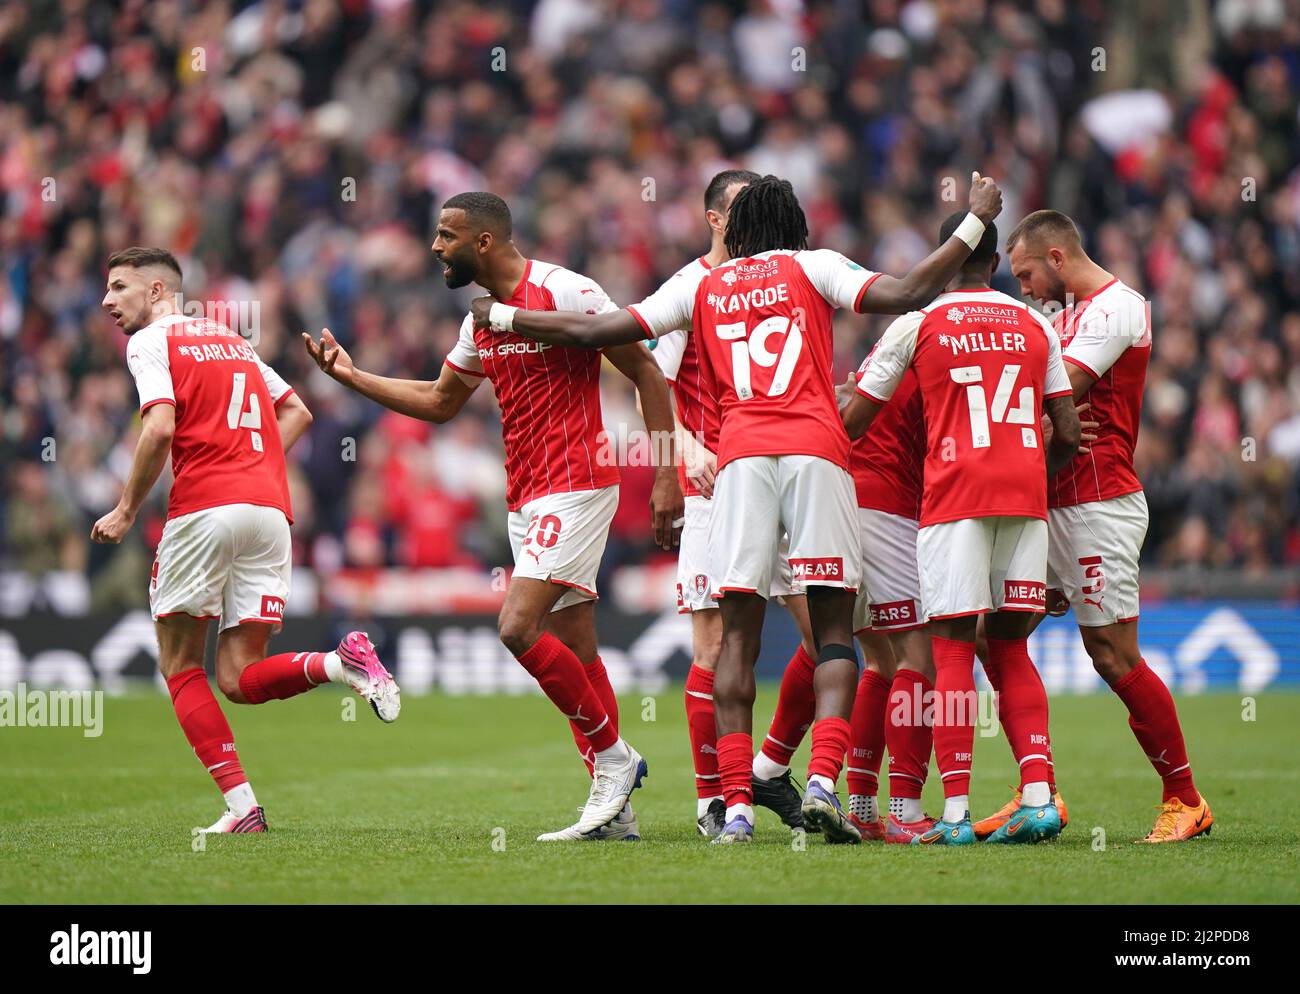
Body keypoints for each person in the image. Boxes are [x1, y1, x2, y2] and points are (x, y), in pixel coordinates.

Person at [470, 172, 1005, 844]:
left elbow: (600, 330)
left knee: (735, 639)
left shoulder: (702, 284)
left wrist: (506, 316)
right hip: (817, 453)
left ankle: (737, 810)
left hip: (740, 464)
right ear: (793, 223)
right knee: (837, 632)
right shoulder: (814, 266)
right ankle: (821, 783)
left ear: (736, 225)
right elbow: (907, 292)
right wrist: (974, 222)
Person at [304, 193, 681, 840]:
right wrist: (352, 376)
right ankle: (616, 813)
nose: (434, 248)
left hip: (579, 484)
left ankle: (616, 759)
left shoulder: (568, 290)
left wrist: (668, 474)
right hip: (525, 498)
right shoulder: (479, 321)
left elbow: (646, 372)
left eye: (445, 235)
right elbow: (440, 399)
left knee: (516, 627)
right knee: (577, 650)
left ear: (483, 241)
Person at [94, 246, 399, 834]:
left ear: (158, 292)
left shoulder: (150, 343)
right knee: (237, 678)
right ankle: (342, 663)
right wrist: (250, 468)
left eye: (120, 287)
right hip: (268, 511)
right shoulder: (232, 341)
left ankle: (242, 809)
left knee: (181, 664)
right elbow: (298, 412)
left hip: (206, 509)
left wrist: (128, 509)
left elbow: (158, 426)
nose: (108, 300)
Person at [842, 212, 1081, 845]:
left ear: (947, 258)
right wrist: (1032, 467)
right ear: (996, 263)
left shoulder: (917, 324)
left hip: (952, 501)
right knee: (1008, 648)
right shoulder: (1036, 324)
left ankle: (952, 814)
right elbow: (1072, 433)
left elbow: (856, 418)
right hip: (1024, 501)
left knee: (949, 648)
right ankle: (1037, 796)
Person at [996, 209, 1211, 843]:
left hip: (1097, 502)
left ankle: (1185, 798)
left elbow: (1057, 392)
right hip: (1044, 497)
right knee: (996, 632)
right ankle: (1038, 791)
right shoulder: (1060, 317)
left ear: (1057, 258)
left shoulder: (1121, 307)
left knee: (1112, 654)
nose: (1025, 288)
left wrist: (1038, 415)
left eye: (1028, 273)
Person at [648, 168, 823, 838]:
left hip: (785, 477)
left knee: (826, 631)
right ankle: (714, 800)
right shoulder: (688, 288)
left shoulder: (783, 277)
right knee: (714, 643)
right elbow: (652, 381)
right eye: (744, 212)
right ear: (716, 220)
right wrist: (686, 449)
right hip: (715, 490)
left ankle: (770, 765)